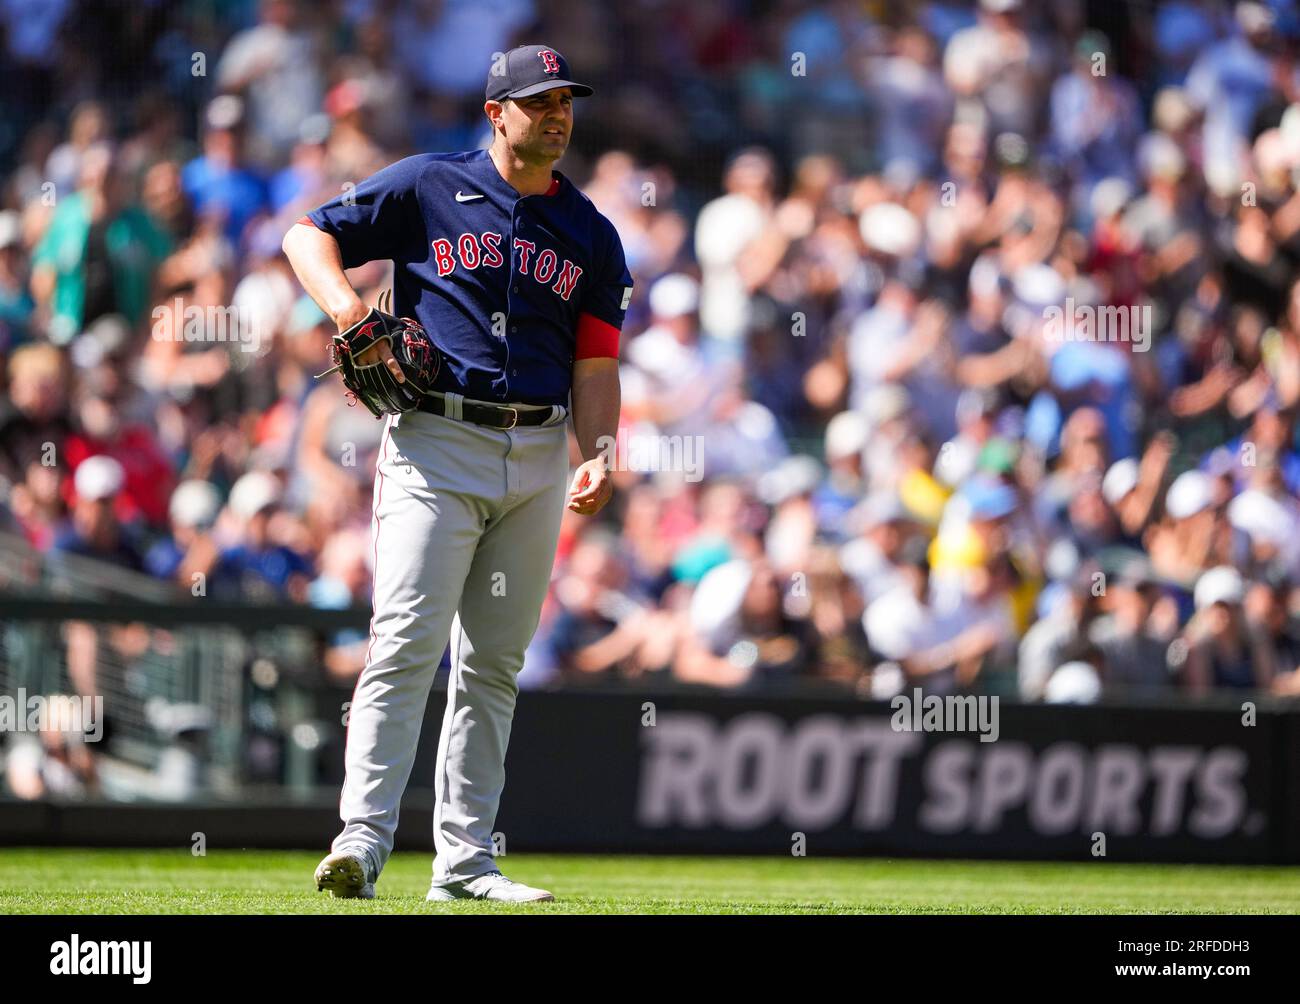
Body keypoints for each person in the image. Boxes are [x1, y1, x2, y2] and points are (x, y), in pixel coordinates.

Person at [282, 45, 629, 903]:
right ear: (496, 111)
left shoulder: (591, 230)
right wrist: (351, 309)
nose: (557, 113)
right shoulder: (427, 184)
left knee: (493, 667)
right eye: (539, 99)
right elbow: (305, 235)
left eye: (566, 100)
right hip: (437, 442)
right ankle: (361, 842)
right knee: (405, 640)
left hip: (541, 452)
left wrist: (601, 451)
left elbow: (595, 365)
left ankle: (465, 863)